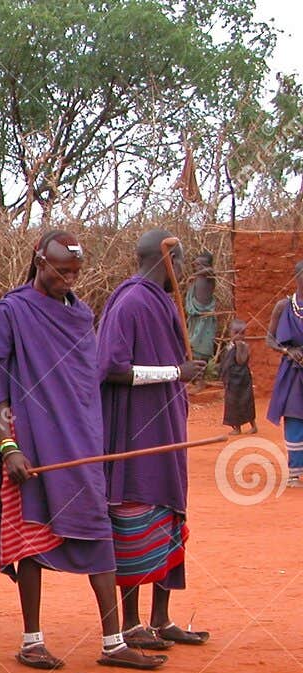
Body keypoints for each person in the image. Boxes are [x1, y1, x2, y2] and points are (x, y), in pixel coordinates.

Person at [0, 231, 164, 672]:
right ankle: (31, 640)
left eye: (75, 272)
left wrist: (96, 436)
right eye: (61, 271)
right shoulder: (10, 312)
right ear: (40, 261)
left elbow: (85, 386)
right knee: (32, 540)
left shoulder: (81, 315)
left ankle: (113, 642)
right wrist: (7, 446)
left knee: (97, 532)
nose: (69, 280)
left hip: (78, 442)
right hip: (28, 444)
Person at [97, 230, 207, 647]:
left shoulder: (160, 300)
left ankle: (160, 618)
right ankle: (130, 623)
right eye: (179, 264)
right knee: (134, 515)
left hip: (166, 426)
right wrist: (175, 373)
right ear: (168, 260)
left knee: (169, 513)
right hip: (134, 430)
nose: (180, 272)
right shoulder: (131, 302)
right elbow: (112, 367)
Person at [266, 260, 303, 486]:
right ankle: (294, 471)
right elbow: (269, 339)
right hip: (292, 373)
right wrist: (288, 351)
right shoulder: (284, 306)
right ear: (296, 277)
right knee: (294, 418)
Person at [219, 319, 257, 435]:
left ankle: (253, 426)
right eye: (236, 333)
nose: (239, 336)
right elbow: (225, 362)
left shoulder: (243, 347)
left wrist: (240, 347)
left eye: (242, 333)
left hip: (242, 380)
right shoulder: (229, 347)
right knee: (232, 404)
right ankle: (237, 427)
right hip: (231, 381)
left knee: (246, 403)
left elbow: (241, 361)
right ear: (230, 333)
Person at [186, 251, 217, 379]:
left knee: (202, 349)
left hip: (204, 318)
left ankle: (201, 381)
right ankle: (195, 379)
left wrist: (194, 275)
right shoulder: (198, 278)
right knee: (192, 347)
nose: (198, 267)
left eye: (201, 264)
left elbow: (210, 270)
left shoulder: (209, 276)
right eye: (196, 265)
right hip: (195, 317)